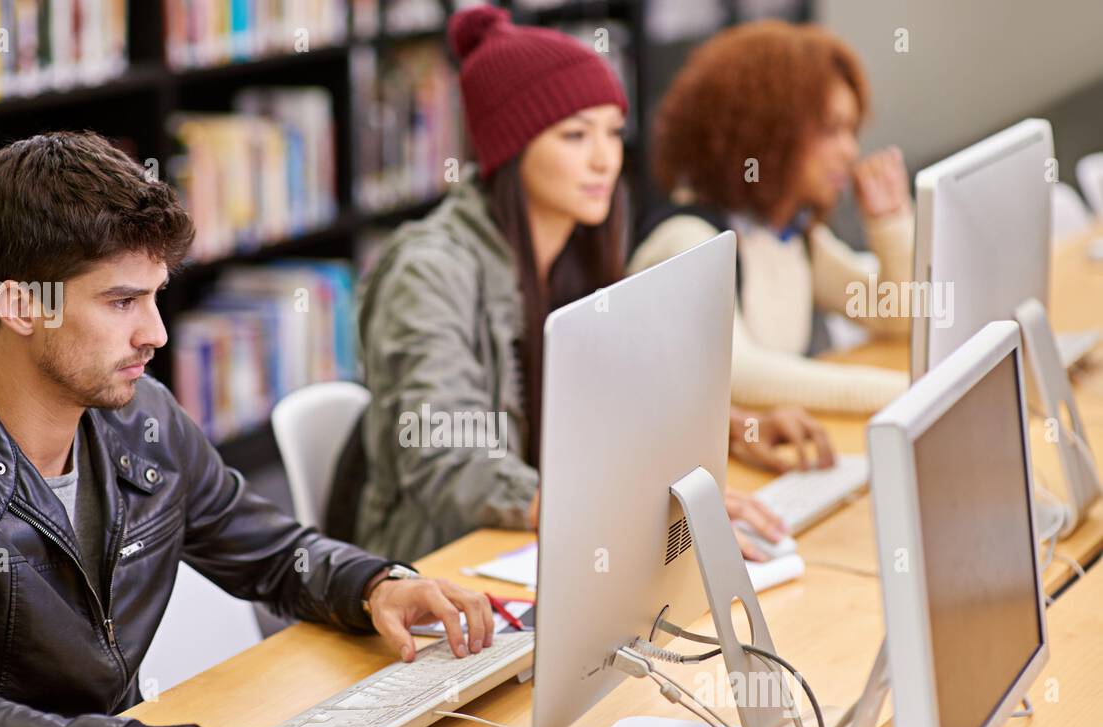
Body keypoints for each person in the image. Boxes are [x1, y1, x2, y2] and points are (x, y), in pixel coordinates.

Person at [0, 131, 494, 727]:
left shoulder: (137, 418)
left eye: (155, 296)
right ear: (19, 305)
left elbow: (267, 550)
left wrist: (374, 585)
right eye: (120, 302)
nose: (156, 332)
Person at [348, 5, 830, 564]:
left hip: (542, 548)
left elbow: (623, 403)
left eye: (613, 133)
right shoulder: (429, 271)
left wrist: (739, 431)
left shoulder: (578, 251)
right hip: (446, 565)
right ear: (513, 147)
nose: (605, 159)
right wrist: (618, 512)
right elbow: (445, 457)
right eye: (575, 136)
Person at [629, 19, 914, 414]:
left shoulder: (789, 234)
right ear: (763, 133)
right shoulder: (689, 239)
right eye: (830, 130)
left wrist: (891, 224)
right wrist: (908, 391)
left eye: (852, 129)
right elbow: (740, 375)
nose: (850, 150)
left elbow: (895, 316)